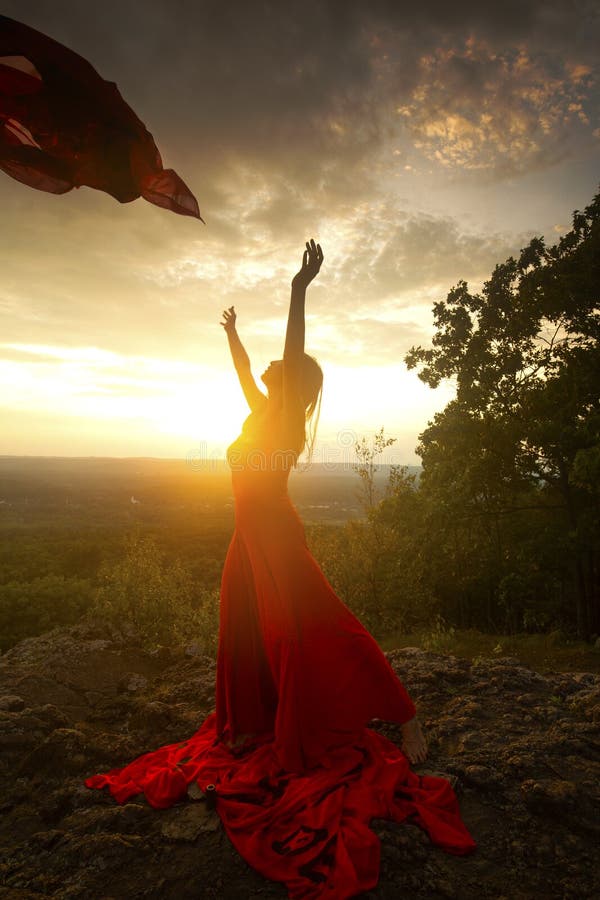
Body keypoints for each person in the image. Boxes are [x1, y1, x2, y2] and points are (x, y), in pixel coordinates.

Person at [216, 239, 428, 770]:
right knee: (252, 629)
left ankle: (405, 714)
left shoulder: (285, 417)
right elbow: (244, 371)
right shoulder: (264, 412)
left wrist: (297, 289)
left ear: (292, 380)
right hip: (248, 537)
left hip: (278, 537)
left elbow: (291, 347)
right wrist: (233, 335)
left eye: (280, 363)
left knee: (325, 623)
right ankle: (257, 718)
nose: (270, 362)